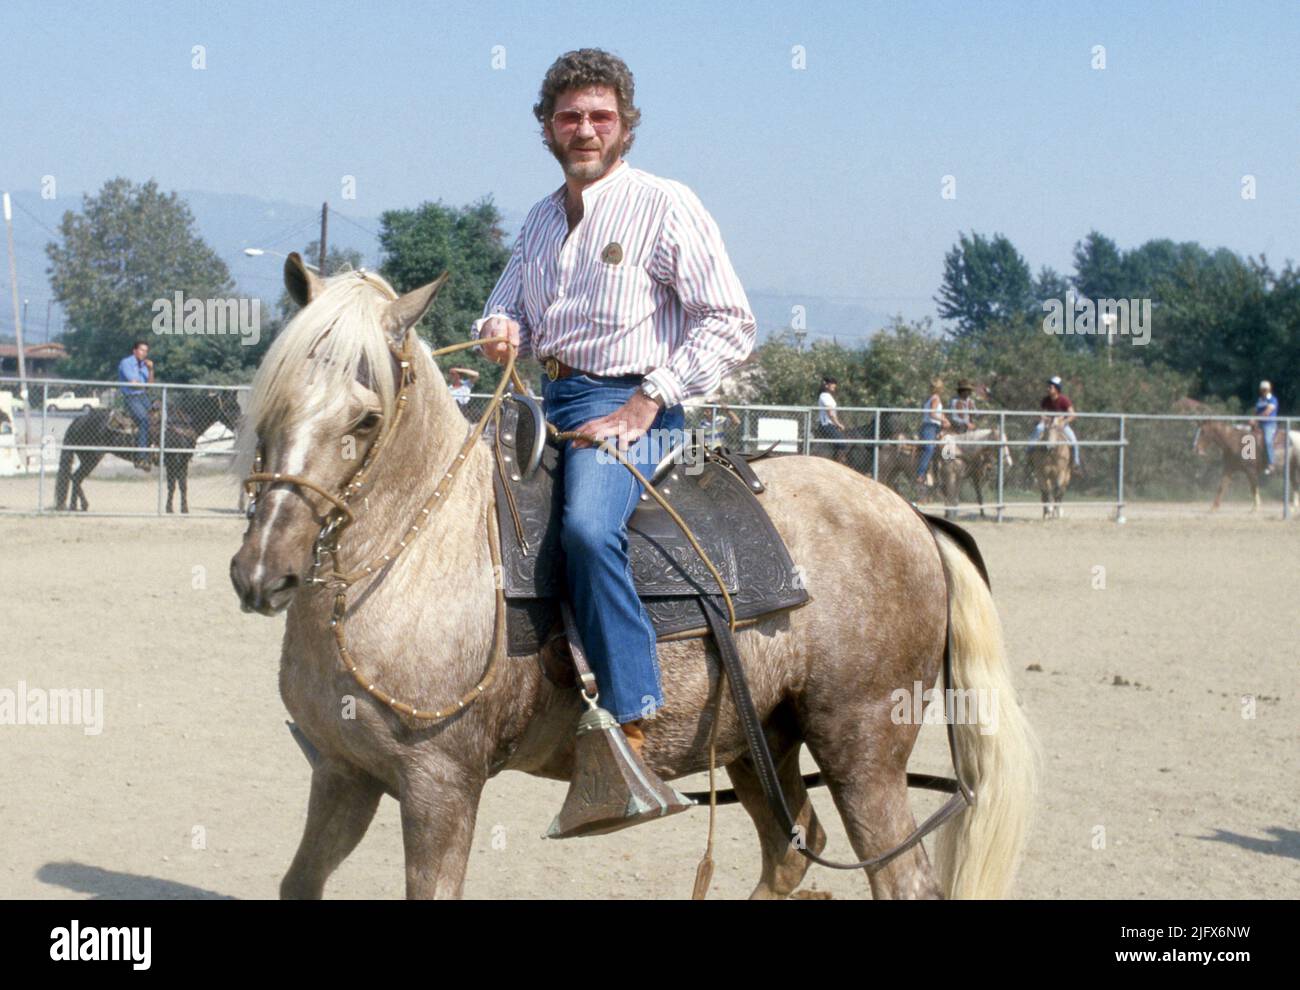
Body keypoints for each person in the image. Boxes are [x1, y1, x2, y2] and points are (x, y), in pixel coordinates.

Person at [473, 49, 756, 765]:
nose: (586, 129)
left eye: (602, 117)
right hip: (548, 401)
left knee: (588, 532)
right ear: (547, 129)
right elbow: (506, 307)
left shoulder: (666, 204)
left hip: (638, 406)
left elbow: (730, 322)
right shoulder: (538, 221)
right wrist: (501, 330)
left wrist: (645, 402)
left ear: (627, 128)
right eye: (570, 117)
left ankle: (634, 716)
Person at [1030, 375, 1082, 473]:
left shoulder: (1064, 400)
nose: (1048, 389)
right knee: (1037, 430)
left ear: (1057, 389)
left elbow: (1073, 415)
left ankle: (1076, 463)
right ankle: (1030, 453)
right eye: (1048, 386)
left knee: (1074, 441)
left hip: (1061, 425)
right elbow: (1042, 413)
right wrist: (1044, 418)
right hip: (1048, 424)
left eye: (1050, 387)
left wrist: (1064, 422)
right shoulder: (1046, 400)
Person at [116, 340, 154, 470]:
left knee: (158, 417)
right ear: (135, 351)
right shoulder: (126, 363)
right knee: (143, 419)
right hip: (131, 397)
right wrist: (140, 383)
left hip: (143, 396)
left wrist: (150, 369)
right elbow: (133, 383)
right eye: (142, 350)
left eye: (146, 351)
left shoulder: (145, 365)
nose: (144, 353)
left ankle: (155, 452)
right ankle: (141, 457)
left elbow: (150, 385)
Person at [914, 376, 950, 489]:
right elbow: (932, 414)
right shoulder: (935, 398)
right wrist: (943, 420)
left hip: (934, 426)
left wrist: (945, 419)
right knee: (929, 448)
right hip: (930, 427)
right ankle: (920, 474)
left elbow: (939, 413)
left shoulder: (932, 398)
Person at [815, 376, 849, 463]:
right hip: (826, 425)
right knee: (842, 443)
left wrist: (836, 424)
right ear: (826, 385)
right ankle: (837, 463)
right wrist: (838, 424)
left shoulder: (828, 396)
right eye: (832, 383)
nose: (834, 385)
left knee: (843, 440)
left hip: (831, 424)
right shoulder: (824, 396)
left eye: (834, 383)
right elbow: (830, 413)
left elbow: (833, 413)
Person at [1255, 380, 1279, 474]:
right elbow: (1256, 411)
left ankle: (1271, 463)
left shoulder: (1273, 399)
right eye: (1262, 389)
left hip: (1269, 424)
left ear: (1269, 389)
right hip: (1260, 424)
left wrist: (1255, 419)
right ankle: (1248, 459)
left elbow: (1267, 412)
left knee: (1268, 441)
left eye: (1265, 389)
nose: (1264, 391)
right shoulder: (1260, 400)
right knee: (1247, 437)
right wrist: (1252, 420)